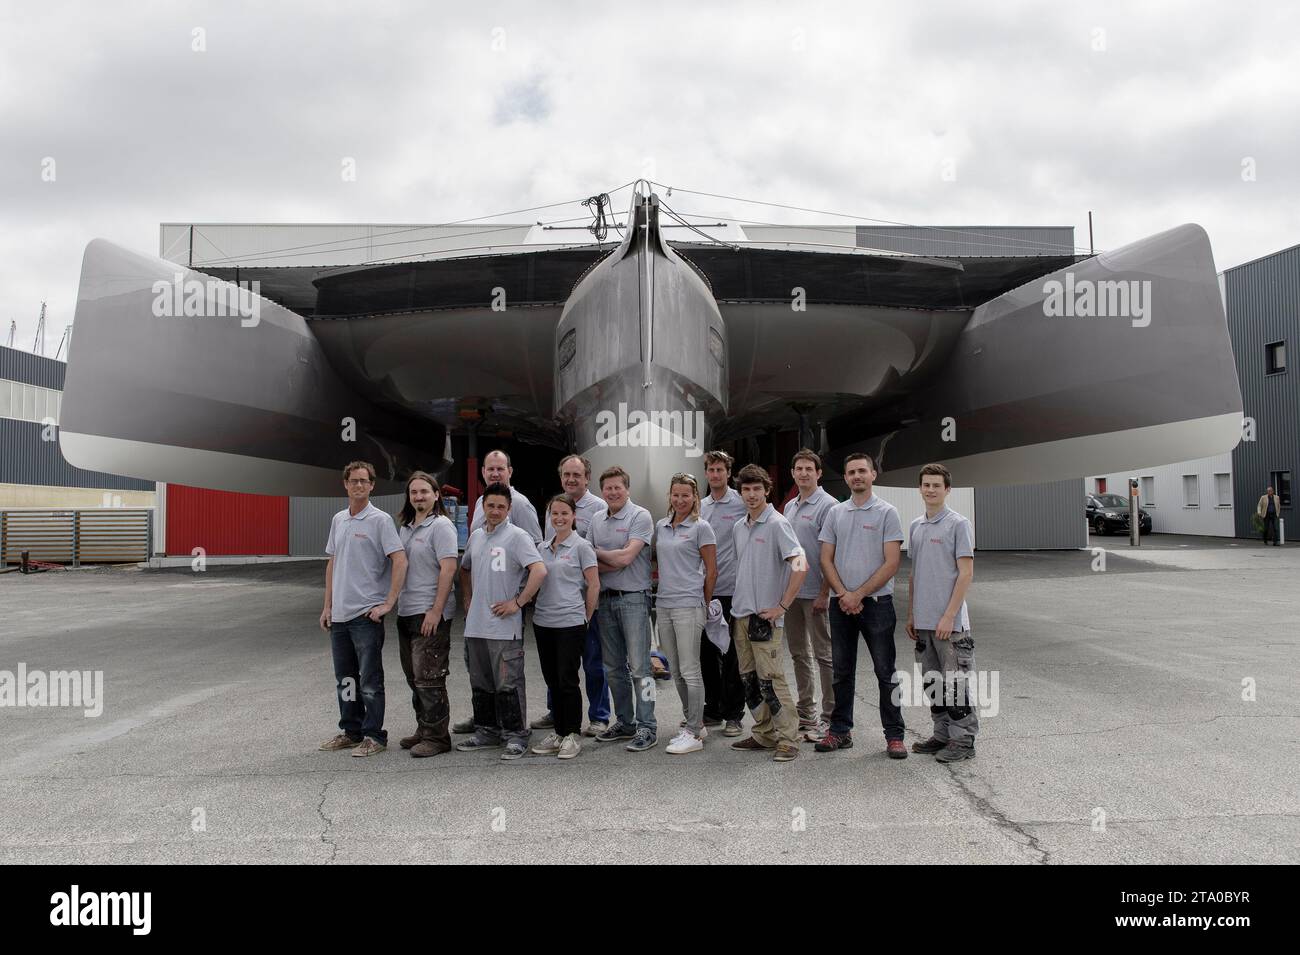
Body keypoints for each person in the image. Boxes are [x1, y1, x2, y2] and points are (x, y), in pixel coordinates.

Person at [815, 452, 908, 759]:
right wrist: (844, 594)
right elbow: (825, 558)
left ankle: (894, 735)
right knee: (841, 672)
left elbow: (892, 562)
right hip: (841, 605)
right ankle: (839, 731)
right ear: (845, 478)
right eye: (851, 472)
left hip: (877, 605)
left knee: (886, 672)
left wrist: (859, 594)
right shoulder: (836, 514)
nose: (857, 476)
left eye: (862, 471)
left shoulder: (887, 512)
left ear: (873, 475)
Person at [318, 461, 407, 757]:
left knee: (369, 680)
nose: (358, 485)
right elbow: (332, 563)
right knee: (345, 679)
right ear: (345, 484)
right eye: (353, 481)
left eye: (363, 481)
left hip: (365, 615)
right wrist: (327, 605)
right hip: (340, 616)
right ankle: (351, 731)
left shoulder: (380, 521)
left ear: (372, 486)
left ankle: (374, 735)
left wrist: (388, 602)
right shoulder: (338, 519)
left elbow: (400, 560)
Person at [452, 449, 544, 735]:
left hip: (506, 612)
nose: (494, 473)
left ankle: (513, 729)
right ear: (482, 472)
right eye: (490, 469)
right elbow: (467, 564)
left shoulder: (522, 507)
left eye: (500, 469)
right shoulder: (480, 508)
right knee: (481, 674)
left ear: (510, 472)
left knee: (507, 675)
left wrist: (519, 600)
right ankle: (487, 724)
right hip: (480, 615)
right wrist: (467, 598)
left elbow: (536, 556)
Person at [728, 464, 806, 762]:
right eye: (746, 489)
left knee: (772, 680)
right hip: (742, 615)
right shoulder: (738, 527)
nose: (751, 495)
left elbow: (800, 565)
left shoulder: (777, 524)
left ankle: (788, 738)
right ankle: (764, 733)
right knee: (749, 679)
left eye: (756, 489)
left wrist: (782, 606)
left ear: (766, 490)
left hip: (765, 617)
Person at [532, 454, 612, 737]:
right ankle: (558, 714)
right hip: (555, 601)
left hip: (582, 601)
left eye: (576, 475)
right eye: (566, 474)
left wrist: (586, 605)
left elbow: (599, 554)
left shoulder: (599, 507)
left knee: (592, 662)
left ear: (587, 477)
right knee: (558, 667)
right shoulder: (554, 506)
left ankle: (599, 716)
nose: (571, 479)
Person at [906, 463, 978, 762]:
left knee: (956, 683)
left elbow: (966, 574)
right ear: (920, 489)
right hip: (923, 623)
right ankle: (942, 734)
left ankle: (964, 741)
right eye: (926, 485)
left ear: (947, 490)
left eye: (937, 485)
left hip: (950, 623)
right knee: (933, 683)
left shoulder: (958, 524)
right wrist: (911, 614)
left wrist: (949, 615)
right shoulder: (916, 526)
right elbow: (914, 574)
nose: (931, 490)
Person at [588, 465, 658, 752]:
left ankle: (648, 725)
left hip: (634, 599)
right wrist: (609, 558)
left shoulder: (640, 516)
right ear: (602, 491)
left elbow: (626, 558)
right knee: (614, 668)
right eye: (608, 488)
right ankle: (626, 721)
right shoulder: (596, 519)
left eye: (618, 487)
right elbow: (589, 565)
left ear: (627, 489)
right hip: (605, 600)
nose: (613, 492)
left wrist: (599, 555)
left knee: (641, 667)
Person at [394, 471, 459, 758]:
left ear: (435, 495)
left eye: (424, 492)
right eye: (414, 493)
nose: (418, 497)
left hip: (429, 613)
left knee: (429, 677)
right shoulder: (406, 527)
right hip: (407, 610)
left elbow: (448, 569)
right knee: (413, 677)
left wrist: (436, 610)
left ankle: (437, 737)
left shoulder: (441, 526)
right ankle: (423, 727)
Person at [531, 495, 600, 760]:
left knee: (567, 678)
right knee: (552, 680)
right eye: (554, 514)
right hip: (543, 621)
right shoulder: (541, 547)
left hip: (570, 622)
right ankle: (558, 731)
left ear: (574, 516)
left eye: (564, 513)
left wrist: (586, 616)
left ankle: (572, 733)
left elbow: (593, 584)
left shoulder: (582, 546)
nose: (559, 518)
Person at [653, 473, 717, 754]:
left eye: (685, 495)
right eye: (675, 495)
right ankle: (696, 721)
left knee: (691, 670)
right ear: (670, 496)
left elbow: (712, 570)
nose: (680, 500)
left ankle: (693, 732)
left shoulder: (702, 527)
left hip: (689, 604)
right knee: (676, 670)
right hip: (664, 604)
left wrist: (702, 600)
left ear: (694, 498)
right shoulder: (661, 526)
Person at [782, 448, 837, 739]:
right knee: (799, 654)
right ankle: (807, 713)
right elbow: (793, 552)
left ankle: (830, 715)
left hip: (817, 592)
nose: (803, 473)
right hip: (793, 592)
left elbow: (831, 553)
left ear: (818, 473)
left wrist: (825, 592)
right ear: (793, 474)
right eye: (798, 469)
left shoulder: (828, 506)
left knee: (824, 655)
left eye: (808, 469)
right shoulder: (790, 507)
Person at [698, 450, 748, 737]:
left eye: (720, 470)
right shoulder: (699, 506)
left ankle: (733, 714)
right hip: (704, 591)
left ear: (729, 473)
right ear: (706, 473)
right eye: (711, 470)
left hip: (732, 589)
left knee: (732, 655)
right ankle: (712, 708)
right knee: (706, 653)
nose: (715, 474)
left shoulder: (741, 503)